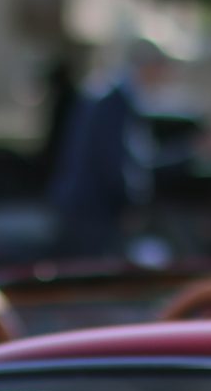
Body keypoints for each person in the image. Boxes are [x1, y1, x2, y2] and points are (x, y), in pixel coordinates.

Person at [47, 38, 172, 259]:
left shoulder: (118, 100)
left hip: (91, 210)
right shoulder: (112, 104)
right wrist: (129, 203)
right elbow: (113, 163)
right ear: (149, 67)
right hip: (90, 212)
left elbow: (140, 159)